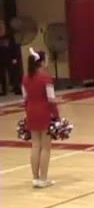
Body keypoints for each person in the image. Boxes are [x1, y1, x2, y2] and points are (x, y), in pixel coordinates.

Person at [22, 50, 57, 189]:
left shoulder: (25, 78)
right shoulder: (45, 78)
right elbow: (51, 99)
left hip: (31, 111)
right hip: (44, 111)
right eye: (46, 59)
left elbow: (25, 99)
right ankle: (43, 179)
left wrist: (28, 112)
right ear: (41, 62)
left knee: (35, 145)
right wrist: (56, 115)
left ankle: (35, 178)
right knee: (46, 147)